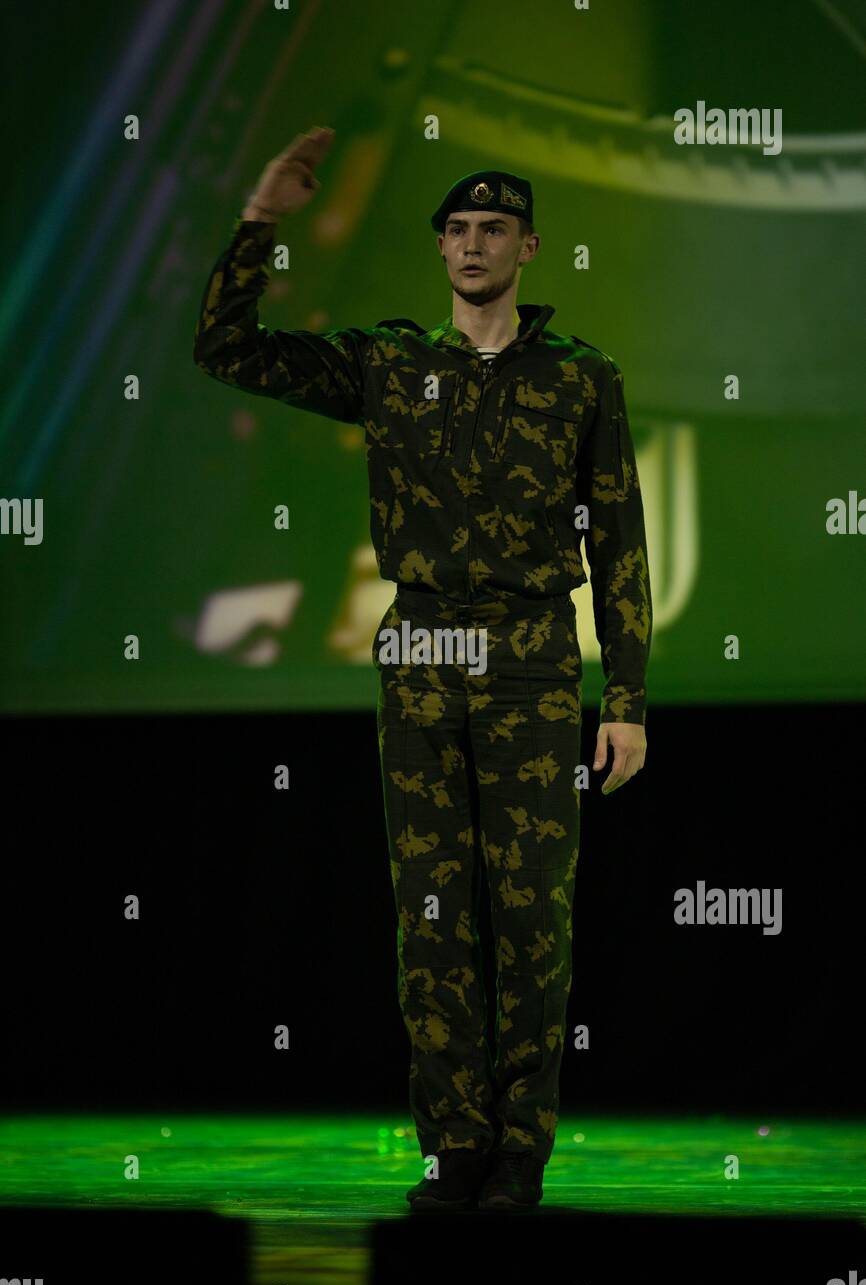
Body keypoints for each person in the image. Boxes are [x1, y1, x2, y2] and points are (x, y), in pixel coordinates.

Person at [193, 126, 652, 1212]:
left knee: (530, 911)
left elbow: (618, 543)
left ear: (528, 248)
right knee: (433, 911)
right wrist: (260, 222)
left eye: (492, 228)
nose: (471, 244)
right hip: (419, 652)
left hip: (531, 658)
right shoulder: (390, 364)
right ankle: (451, 1146)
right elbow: (228, 350)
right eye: (455, 229)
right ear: (440, 249)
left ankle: (519, 1151)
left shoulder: (580, 378)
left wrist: (624, 696)